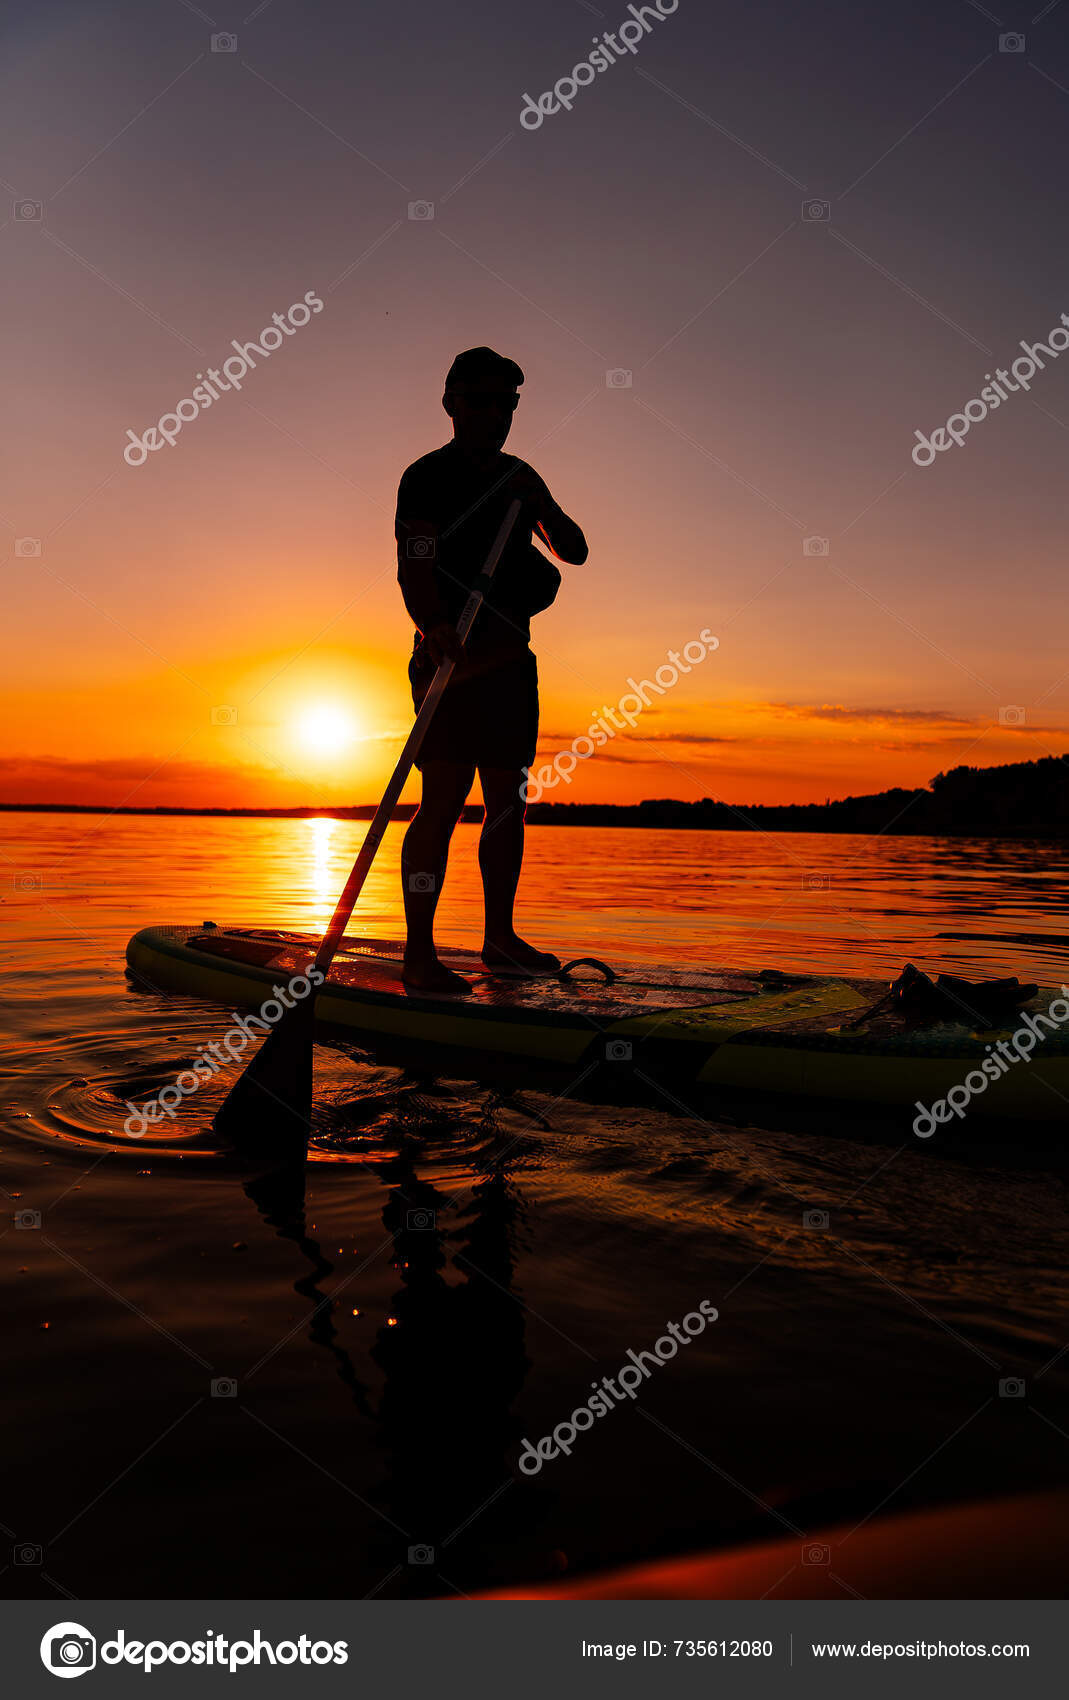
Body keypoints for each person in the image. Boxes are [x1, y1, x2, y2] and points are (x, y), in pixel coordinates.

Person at [395, 347, 588, 994]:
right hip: (449, 662)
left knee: (506, 804)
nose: (495, 414)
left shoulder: (519, 475)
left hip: (509, 664)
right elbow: (414, 563)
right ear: (450, 402)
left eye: (506, 402)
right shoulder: (425, 477)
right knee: (442, 803)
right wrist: (434, 626)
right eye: (480, 400)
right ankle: (418, 956)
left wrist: (540, 505)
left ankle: (498, 939)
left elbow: (575, 551)